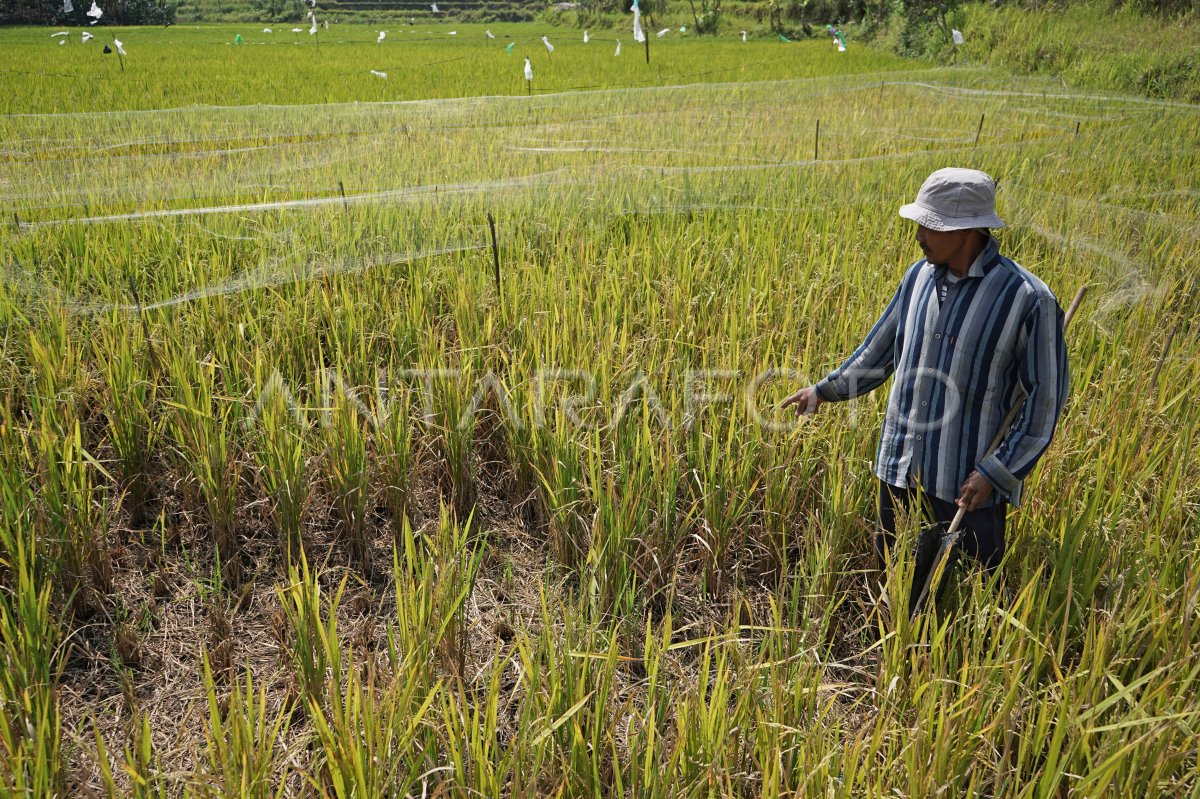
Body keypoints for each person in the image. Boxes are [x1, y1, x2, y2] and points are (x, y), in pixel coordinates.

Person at [782, 167, 1069, 608]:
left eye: (930, 225)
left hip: (967, 490)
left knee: (960, 607)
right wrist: (822, 391)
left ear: (968, 229)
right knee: (891, 592)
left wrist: (997, 473)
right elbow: (877, 353)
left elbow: (1045, 404)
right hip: (899, 470)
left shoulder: (1028, 298)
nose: (919, 234)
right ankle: (891, 666)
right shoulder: (917, 278)